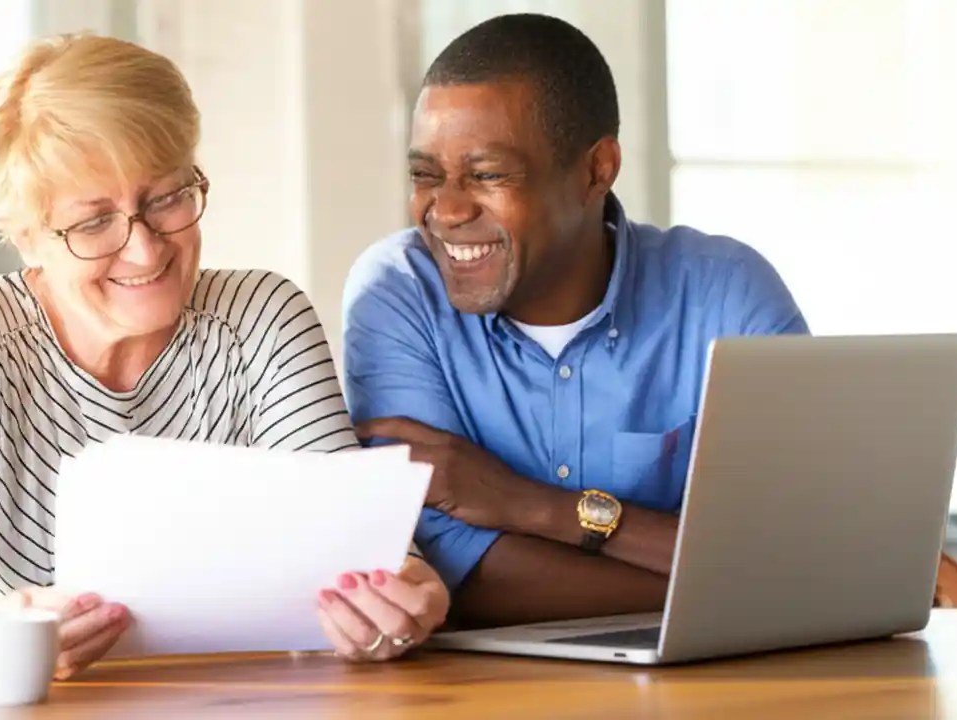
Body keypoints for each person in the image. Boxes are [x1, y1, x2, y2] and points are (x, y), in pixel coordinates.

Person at [0, 33, 448, 678]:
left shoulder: (262, 316)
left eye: (166, 198)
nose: (146, 250)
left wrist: (406, 591)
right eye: (94, 223)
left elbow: (361, 551)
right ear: (28, 238)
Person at [343, 14, 808, 629]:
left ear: (597, 170)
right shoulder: (398, 294)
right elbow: (457, 575)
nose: (446, 210)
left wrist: (531, 507)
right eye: (426, 175)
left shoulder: (725, 292)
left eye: (486, 175)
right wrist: (732, 585)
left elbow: (792, 551)